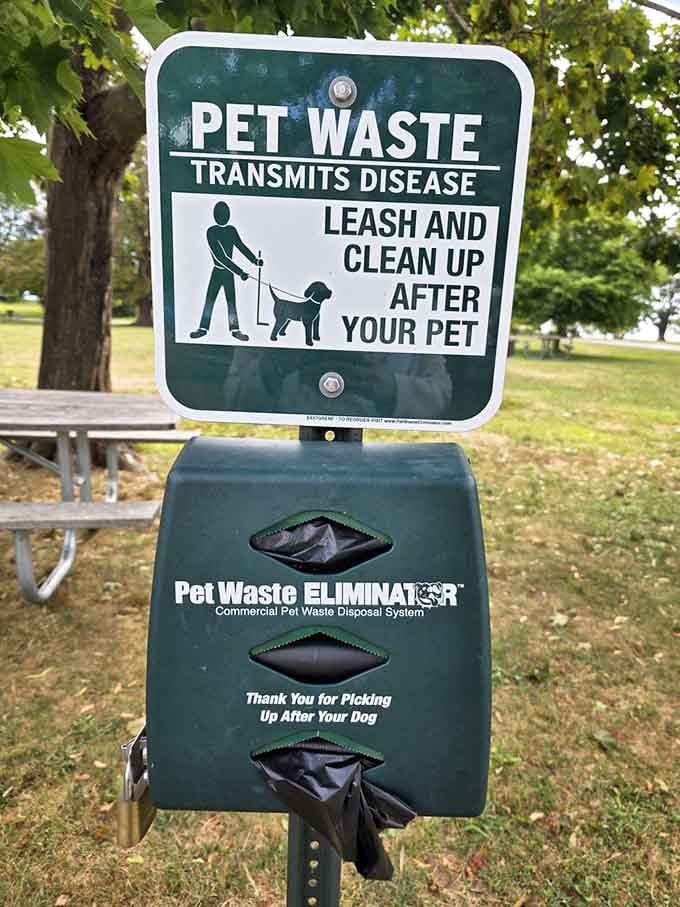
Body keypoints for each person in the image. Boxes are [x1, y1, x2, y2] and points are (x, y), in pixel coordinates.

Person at [190, 201, 263, 342]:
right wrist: (240, 272)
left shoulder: (231, 230)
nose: (224, 216)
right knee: (210, 300)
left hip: (228, 274)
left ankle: (235, 330)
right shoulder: (211, 231)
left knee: (231, 301)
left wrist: (254, 260)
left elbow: (241, 246)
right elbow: (220, 257)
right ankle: (203, 329)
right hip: (218, 272)